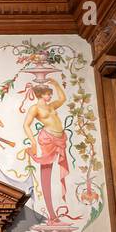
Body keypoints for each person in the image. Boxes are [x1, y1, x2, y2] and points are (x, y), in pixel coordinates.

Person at [23, 77, 69, 221]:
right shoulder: (35, 108)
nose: (50, 96)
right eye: (48, 94)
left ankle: (52, 213)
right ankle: (51, 213)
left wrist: (55, 84)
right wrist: (33, 143)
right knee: (46, 173)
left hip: (59, 139)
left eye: (50, 94)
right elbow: (26, 125)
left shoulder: (51, 106)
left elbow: (63, 98)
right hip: (47, 139)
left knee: (52, 171)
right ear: (40, 95)